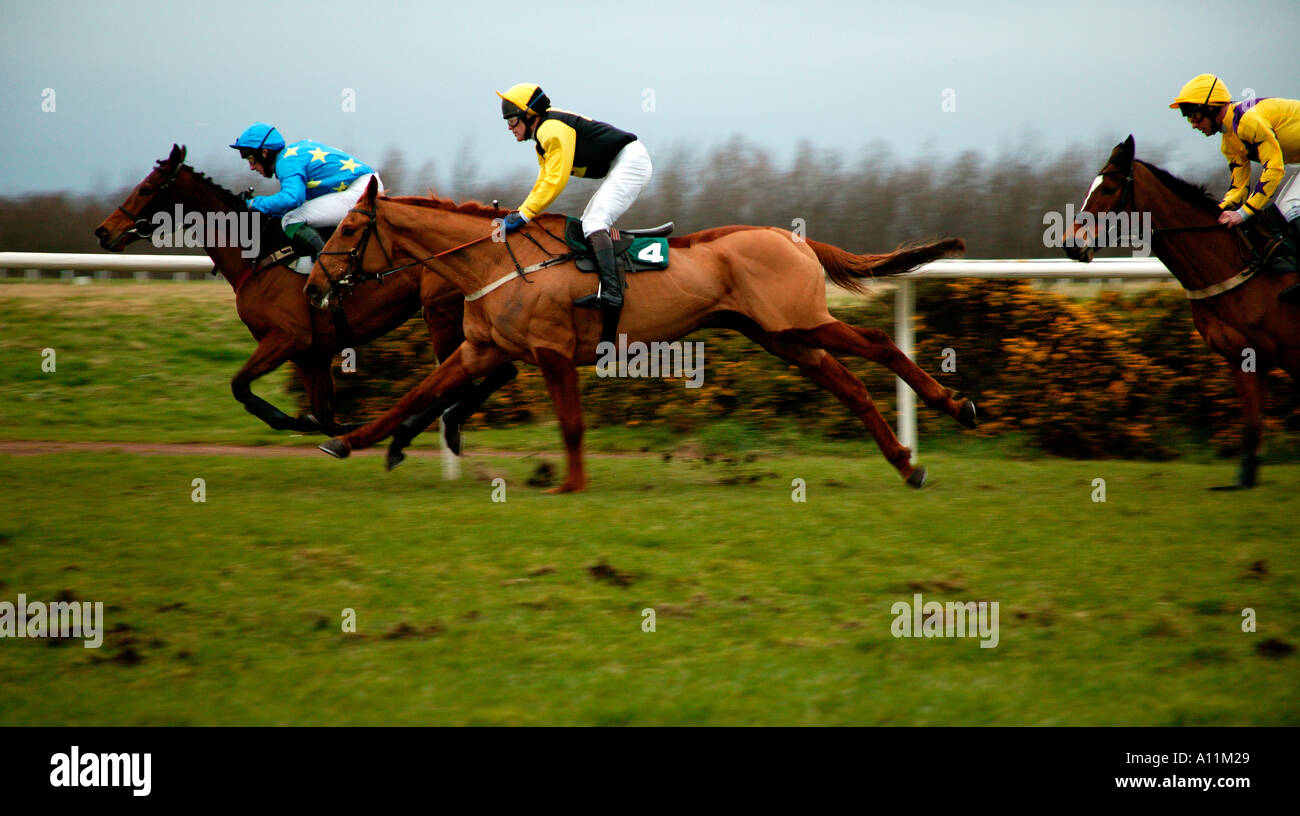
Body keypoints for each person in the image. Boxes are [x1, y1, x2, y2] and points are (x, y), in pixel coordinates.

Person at [495, 83, 653, 342]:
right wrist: (521, 211)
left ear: (529, 115)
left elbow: (555, 181)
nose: (510, 128)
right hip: (622, 163)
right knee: (589, 223)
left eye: (512, 120)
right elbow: (543, 180)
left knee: (593, 222)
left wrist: (523, 215)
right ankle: (608, 285)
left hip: (631, 162)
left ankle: (612, 293)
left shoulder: (550, 130)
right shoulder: (542, 138)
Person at [1170, 74, 1300, 301]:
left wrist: (1243, 214)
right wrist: (1215, 214)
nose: (1193, 124)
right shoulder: (1229, 141)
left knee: (1290, 206)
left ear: (1211, 107)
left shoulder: (1248, 122)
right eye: (1188, 117)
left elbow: (1275, 169)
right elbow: (1239, 188)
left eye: (1195, 115)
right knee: (1280, 210)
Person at [230, 122, 383, 272]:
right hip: (365, 186)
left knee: (291, 220)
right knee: (300, 215)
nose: (251, 167)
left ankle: (328, 268)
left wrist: (252, 204)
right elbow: (296, 202)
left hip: (361, 190)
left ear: (264, 152)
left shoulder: (285, 162)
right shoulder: (293, 154)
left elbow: (291, 198)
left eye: (251, 160)